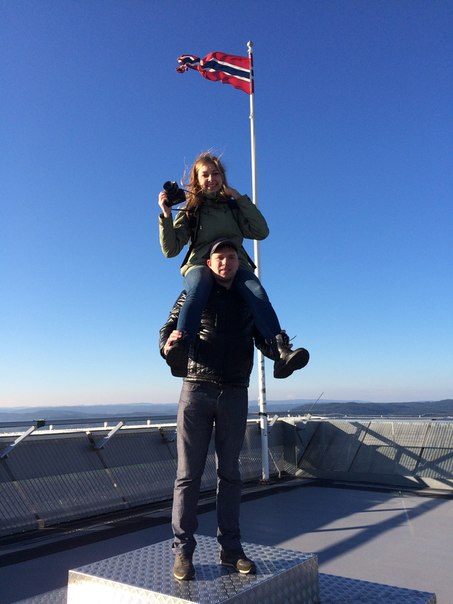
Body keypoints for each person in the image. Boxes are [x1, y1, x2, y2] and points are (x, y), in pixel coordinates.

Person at [160, 240, 309, 581]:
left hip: (234, 392)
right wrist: (166, 345)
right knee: (188, 475)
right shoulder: (194, 294)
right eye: (220, 257)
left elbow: (261, 338)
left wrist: (280, 352)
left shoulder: (246, 299)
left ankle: (231, 549)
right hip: (196, 389)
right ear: (209, 263)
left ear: (238, 263)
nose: (226, 262)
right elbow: (168, 329)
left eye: (231, 257)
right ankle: (183, 551)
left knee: (229, 474)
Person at [158, 151, 308, 379]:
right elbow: (171, 250)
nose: (211, 179)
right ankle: (181, 347)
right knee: (198, 286)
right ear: (197, 180)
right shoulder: (192, 209)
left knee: (256, 291)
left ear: (223, 177)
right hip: (200, 263)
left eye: (216, 173)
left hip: (235, 263)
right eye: (205, 175)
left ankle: (281, 352)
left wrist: (239, 198)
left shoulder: (233, 206)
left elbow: (261, 231)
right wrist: (166, 216)